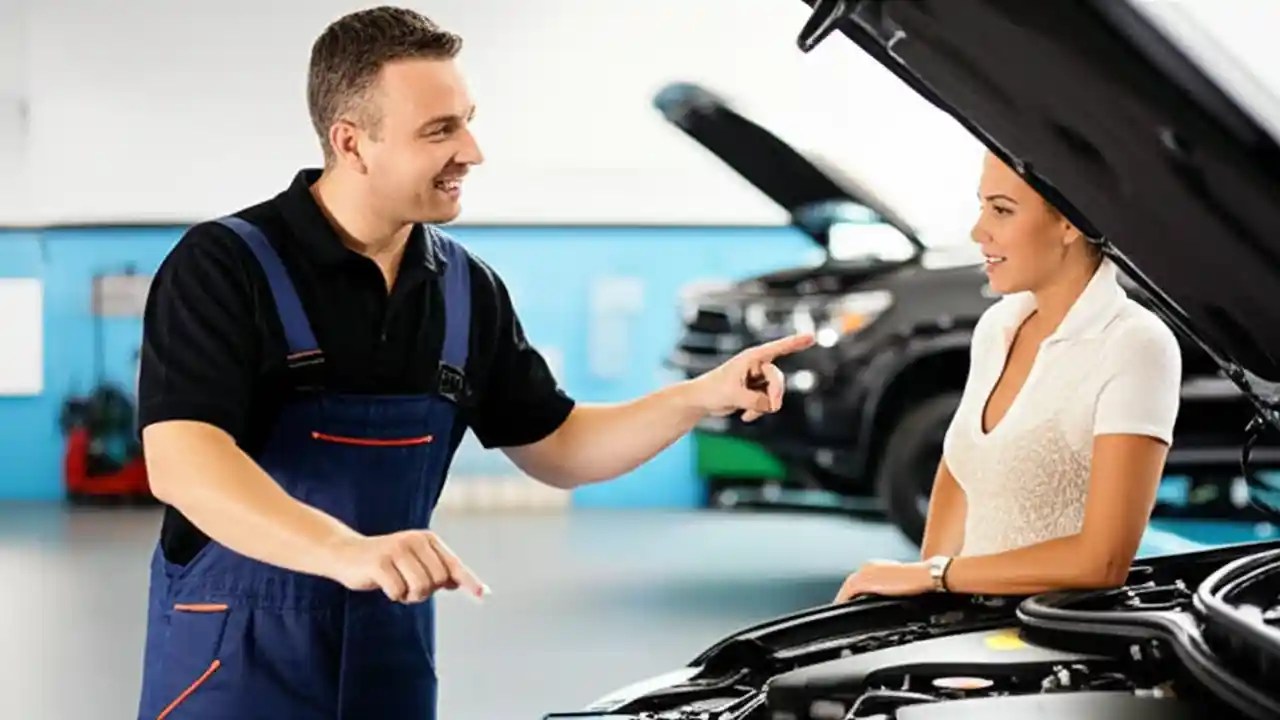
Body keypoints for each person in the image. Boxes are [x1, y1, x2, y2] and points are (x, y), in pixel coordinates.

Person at [134, 7, 813, 719]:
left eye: (466, 120)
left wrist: (697, 397)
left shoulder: (465, 290)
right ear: (351, 143)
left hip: (387, 648)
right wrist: (346, 551)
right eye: (440, 131)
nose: (473, 151)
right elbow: (185, 461)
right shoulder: (223, 266)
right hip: (233, 654)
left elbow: (561, 445)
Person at [834, 151, 1182, 602]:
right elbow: (961, 470)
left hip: (1057, 640)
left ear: (1070, 223)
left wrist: (935, 575)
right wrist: (919, 602)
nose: (978, 231)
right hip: (970, 625)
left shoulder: (1135, 343)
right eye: (982, 207)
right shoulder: (997, 327)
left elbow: (1103, 561)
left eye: (1001, 209)